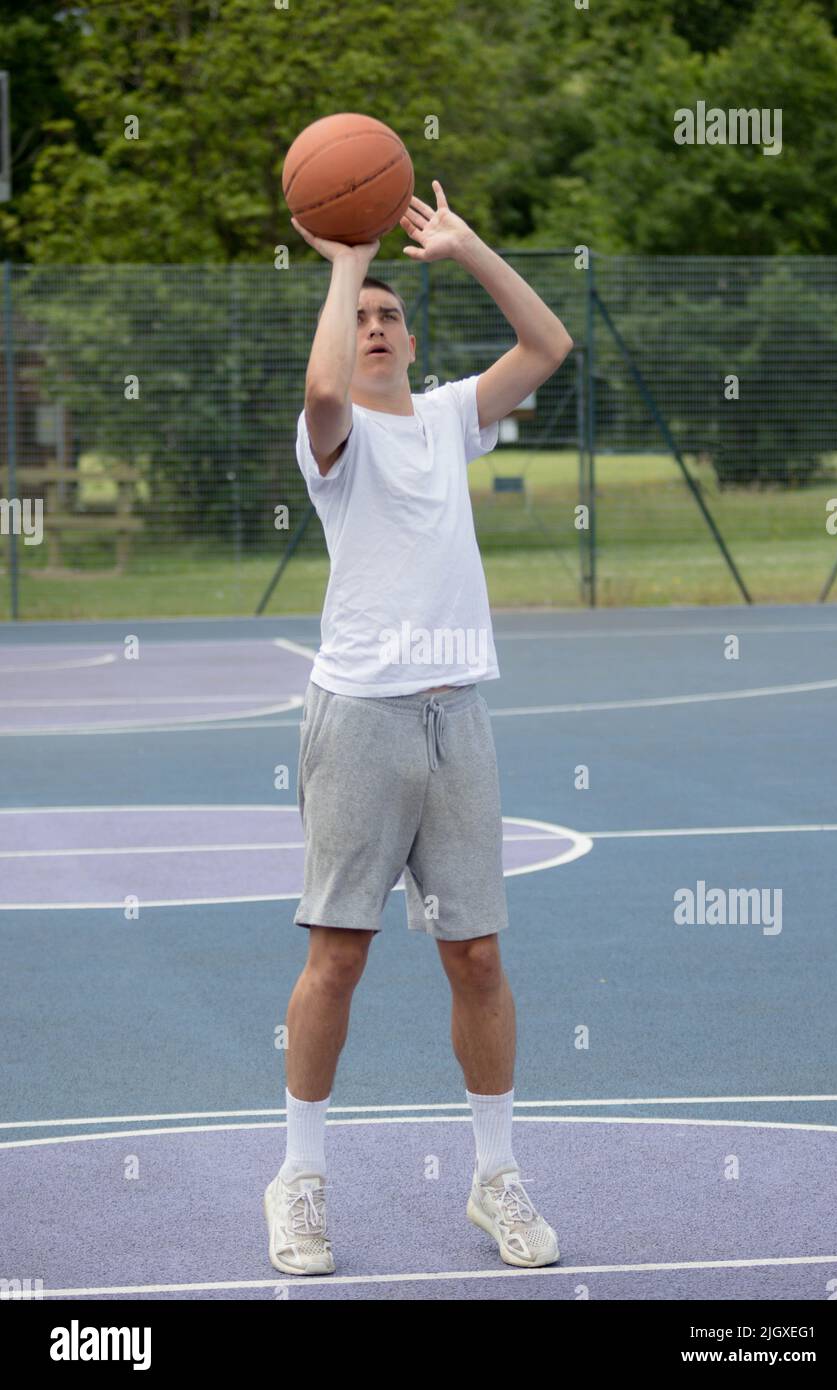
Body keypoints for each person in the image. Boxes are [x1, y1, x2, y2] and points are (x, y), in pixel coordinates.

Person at [264, 181, 573, 1276]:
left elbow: (547, 343)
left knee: (477, 954)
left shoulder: (448, 416)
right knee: (338, 954)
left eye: (391, 315)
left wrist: (467, 244)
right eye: (361, 319)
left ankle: (494, 1177)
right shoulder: (329, 437)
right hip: (360, 717)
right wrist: (344, 258)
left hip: (458, 718)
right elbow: (315, 381)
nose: (378, 327)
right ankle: (299, 1179)